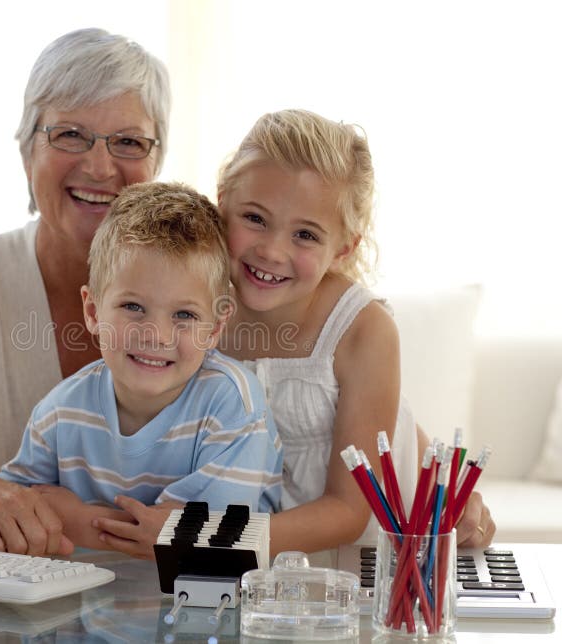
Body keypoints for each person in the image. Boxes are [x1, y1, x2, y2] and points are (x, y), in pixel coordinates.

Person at [92, 109, 495, 558]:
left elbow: (347, 510)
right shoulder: (188, 311)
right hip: (240, 562)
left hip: (361, 560)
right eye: (255, 218)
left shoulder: (362, 330)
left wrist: (202, 535)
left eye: (305, 234)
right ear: (222, 202)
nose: (272, 250)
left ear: (344, 246)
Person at [0, 27, 171, 554]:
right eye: (70, 134)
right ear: (27, 151)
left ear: (156, 162)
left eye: (127, 141)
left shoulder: (200, 293)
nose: (99, 167)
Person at [0, 181, 281, 547]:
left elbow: (207, 544)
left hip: (214, 604)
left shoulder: (232, 405)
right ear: (93, 311)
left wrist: (77, 520)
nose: (156, 335)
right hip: (90, 602)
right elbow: (10, 513)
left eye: (184, 314)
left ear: (215, 328)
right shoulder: (60, 412)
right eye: (133, 307)